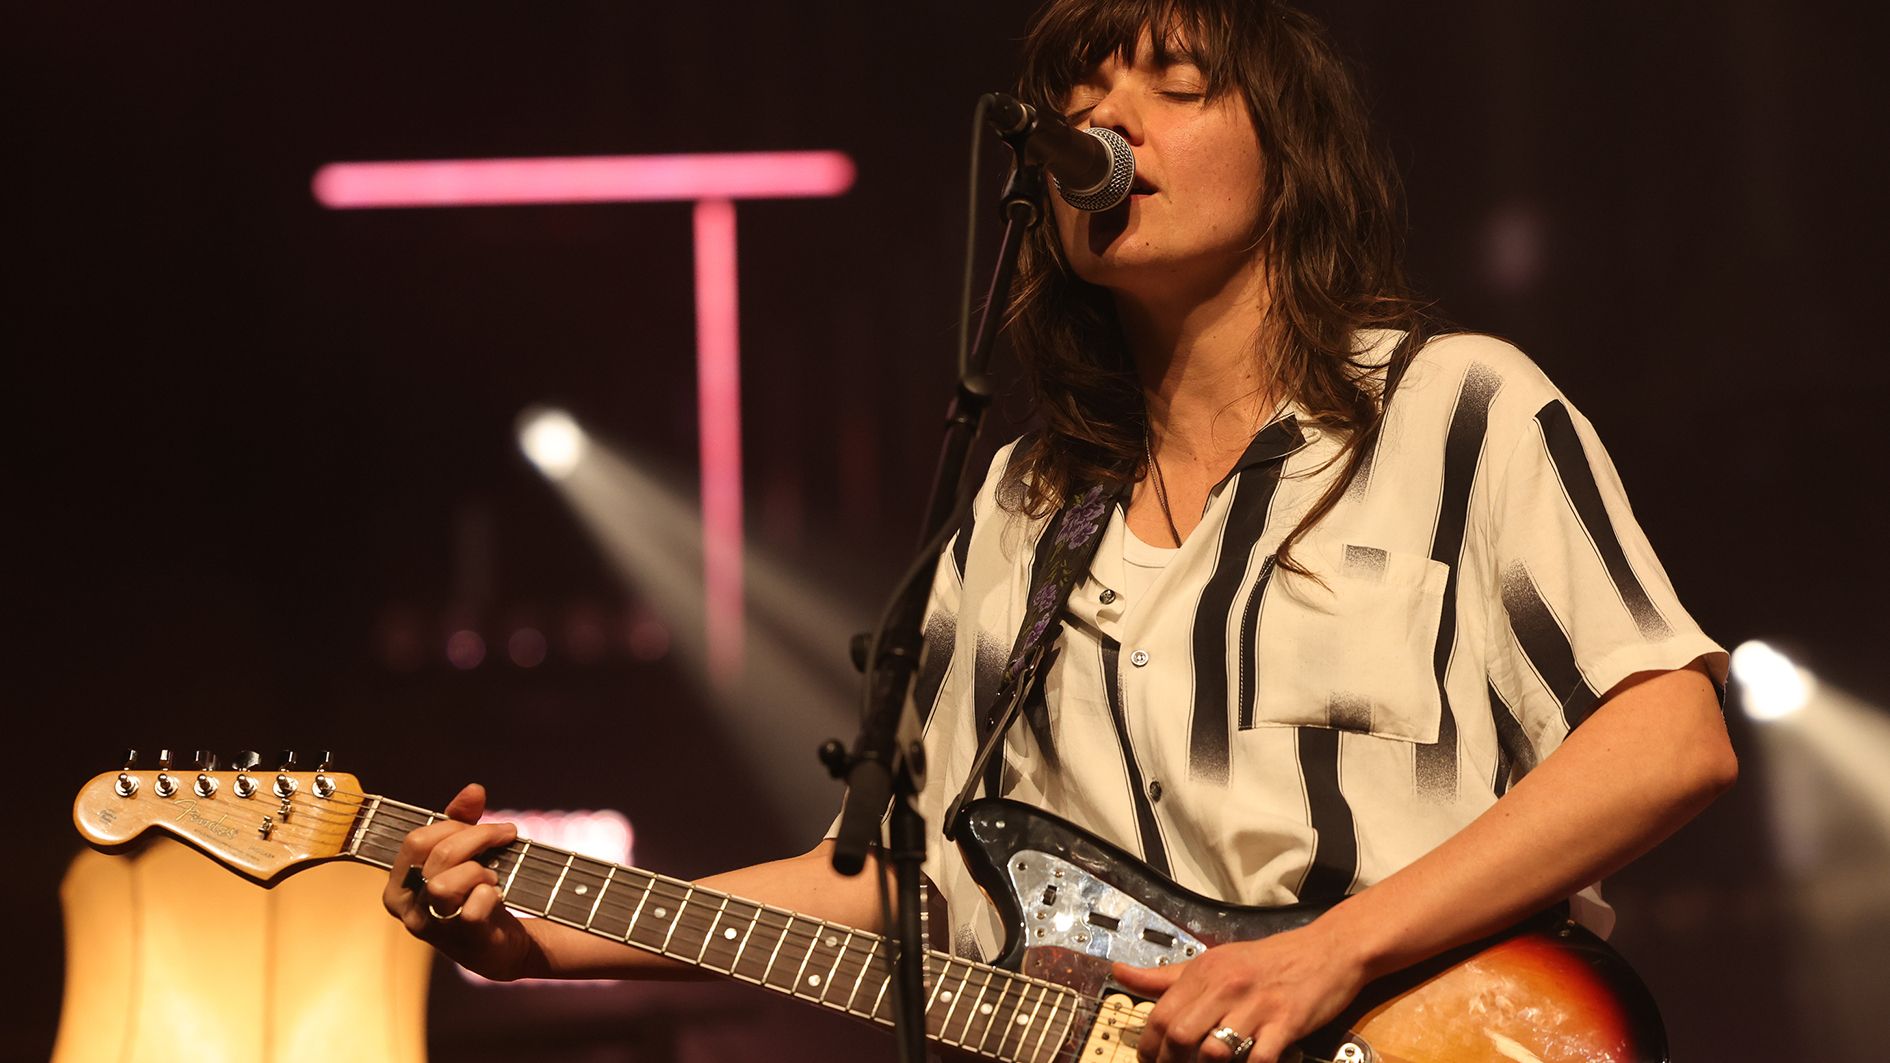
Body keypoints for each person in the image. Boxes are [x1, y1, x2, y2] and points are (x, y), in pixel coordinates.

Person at [381, 2, 1737, 1060]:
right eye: (1079, 97)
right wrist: (551, 939)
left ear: (1292, 148)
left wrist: (1335, 951)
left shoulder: (1455, 411)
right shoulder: (1025, 505)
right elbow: (914, 895)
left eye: (1172, 85)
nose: (1105, 121)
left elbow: (1668, 738)